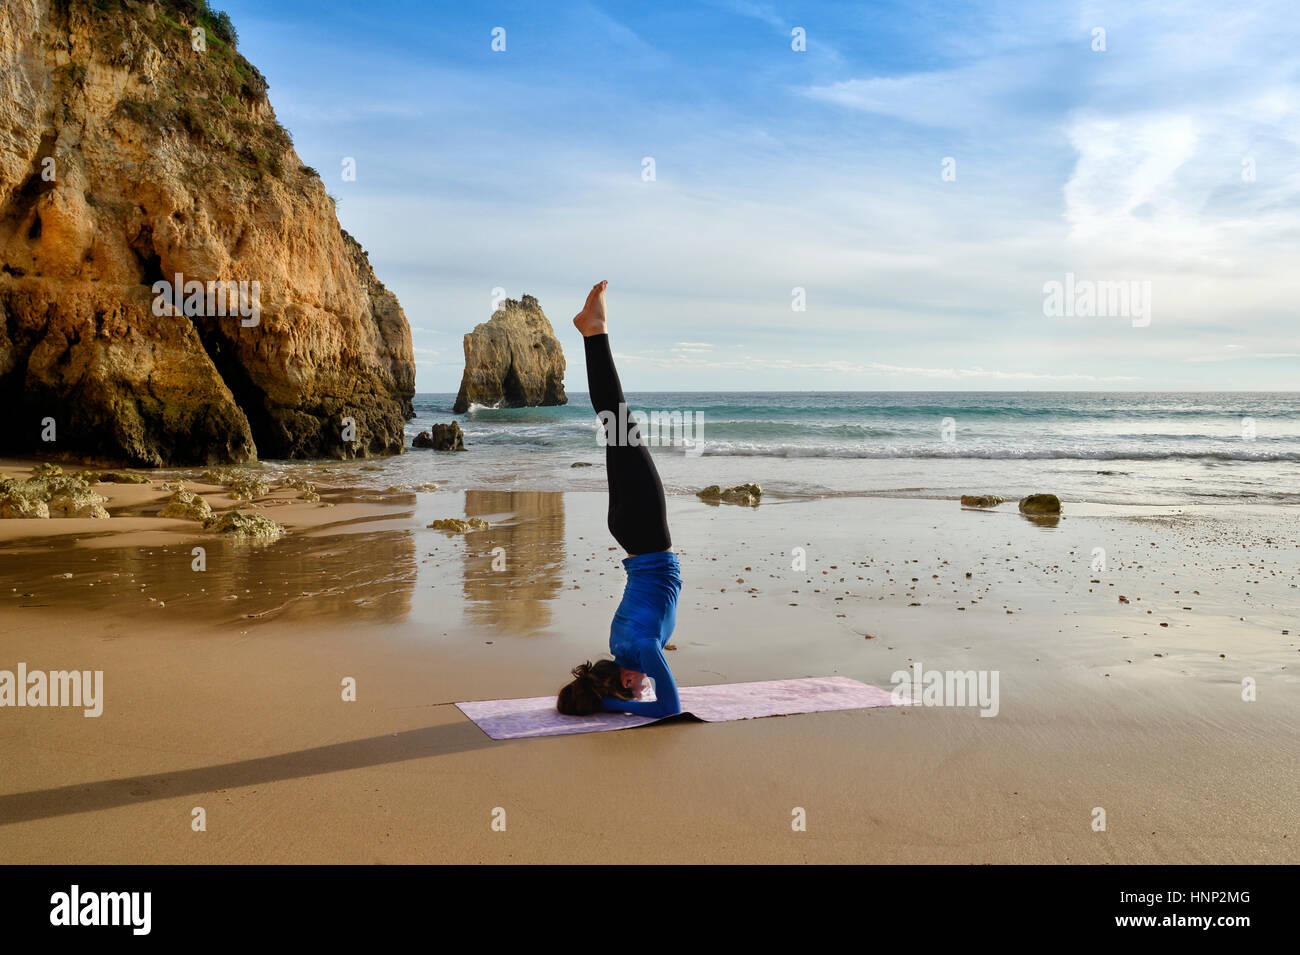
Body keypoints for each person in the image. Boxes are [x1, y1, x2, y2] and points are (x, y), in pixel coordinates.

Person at [556, 281, 683, 719]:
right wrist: (604, 696)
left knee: (619, 421)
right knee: (615, 424)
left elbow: (670, 708)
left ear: (626, 680)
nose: (645, 685)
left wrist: (615, 706)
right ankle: (593, 330)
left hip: (646, 536)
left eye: (637, 688)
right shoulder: (618, 645)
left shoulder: (644, 649)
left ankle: (594, 331)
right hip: (627, 533)